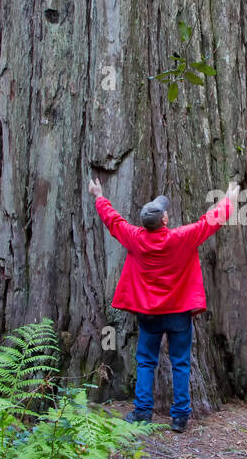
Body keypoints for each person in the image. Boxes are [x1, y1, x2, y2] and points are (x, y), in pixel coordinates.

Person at [89, 177, 238, 432]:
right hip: (179, 314)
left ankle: (142, 412)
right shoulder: (182, 238)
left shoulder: (135, 237)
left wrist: (98, 195)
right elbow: (210, 222)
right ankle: (180, 417)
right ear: (165, 221)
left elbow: (113, 221)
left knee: (146, 361)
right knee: (180, 362)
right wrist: (230, 200)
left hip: (149, 314)